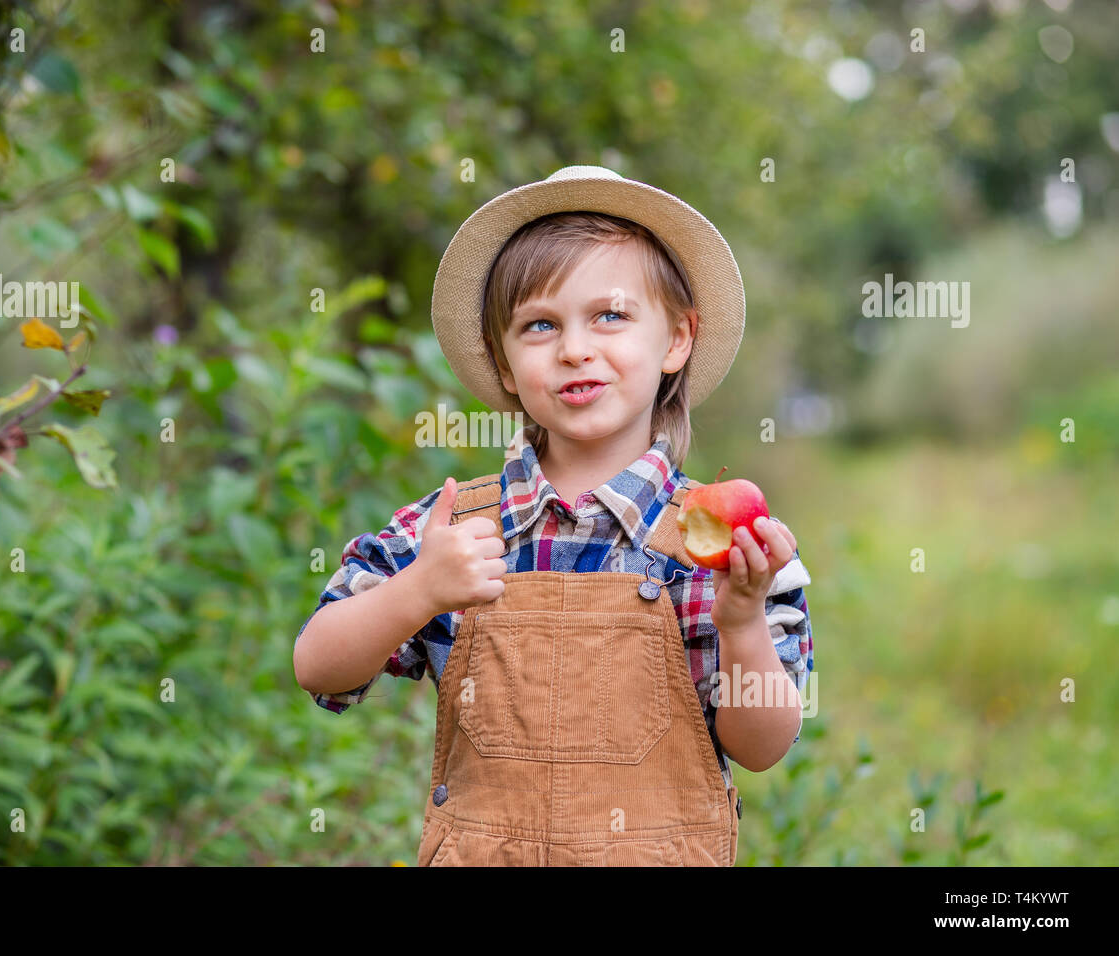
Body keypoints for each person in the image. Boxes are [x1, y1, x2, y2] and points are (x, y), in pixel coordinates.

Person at [293, 165, 813, 866]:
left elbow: (762, 748)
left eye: (611, 315)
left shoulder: (723, 548)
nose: (574, 349)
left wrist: (742, 619)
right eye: (539, 324)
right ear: (505, 365)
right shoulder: (453, 531)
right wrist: (418, 590)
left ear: (676, 340)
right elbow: (318, 667)